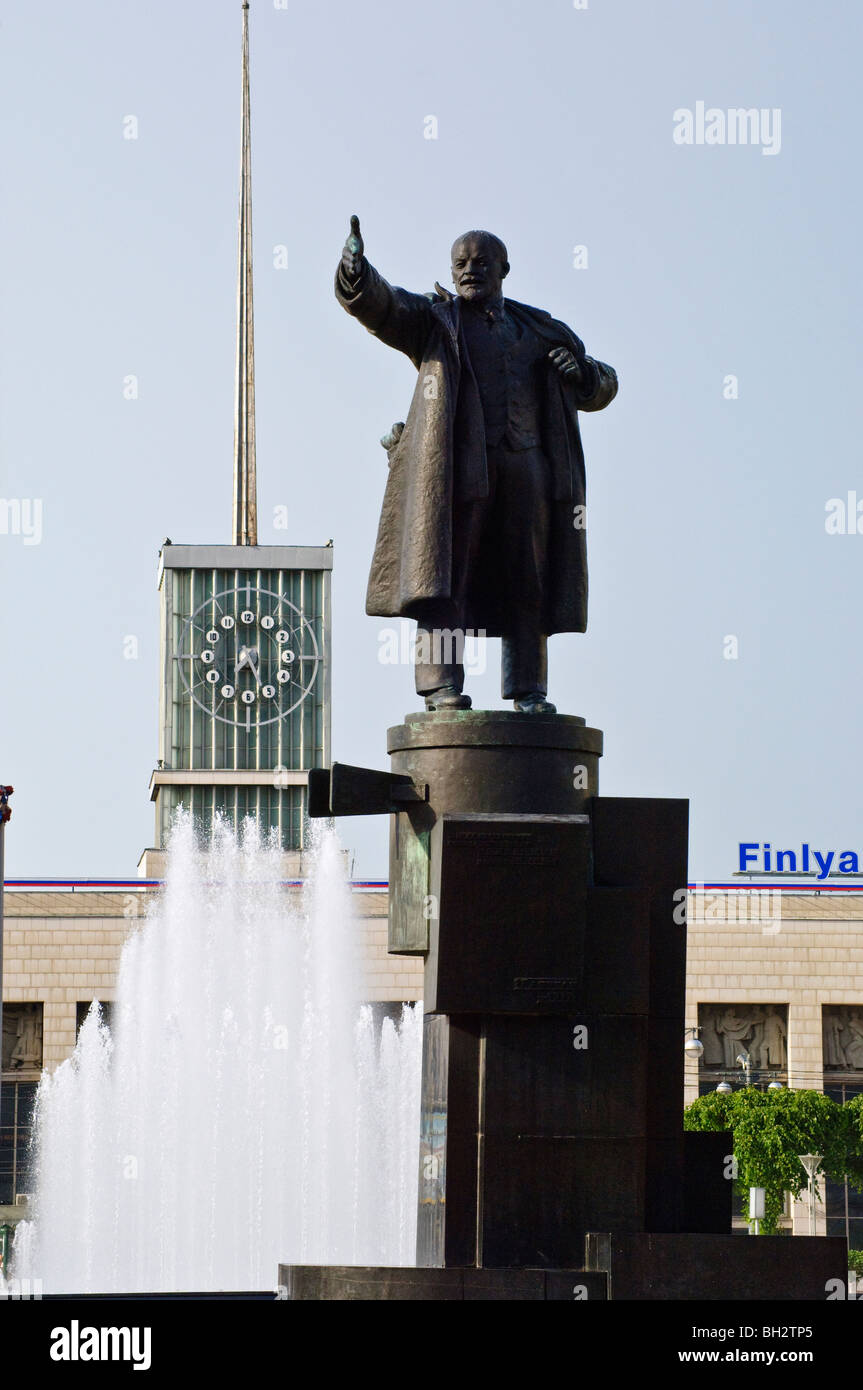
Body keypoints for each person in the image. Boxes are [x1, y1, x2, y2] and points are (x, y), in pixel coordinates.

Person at [335, 217, 617, 712]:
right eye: (460, 264)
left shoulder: (539, 329)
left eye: (480, 263)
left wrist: (586, 375)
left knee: (527, 579)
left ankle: (529, 690)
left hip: (527, 468)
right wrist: (357, 274)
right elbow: (386, 307)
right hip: (456, 473)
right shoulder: (436, 322)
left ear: (504, 269)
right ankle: (441, 686)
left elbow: (602, 383)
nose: (469, 271)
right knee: (445, 576)